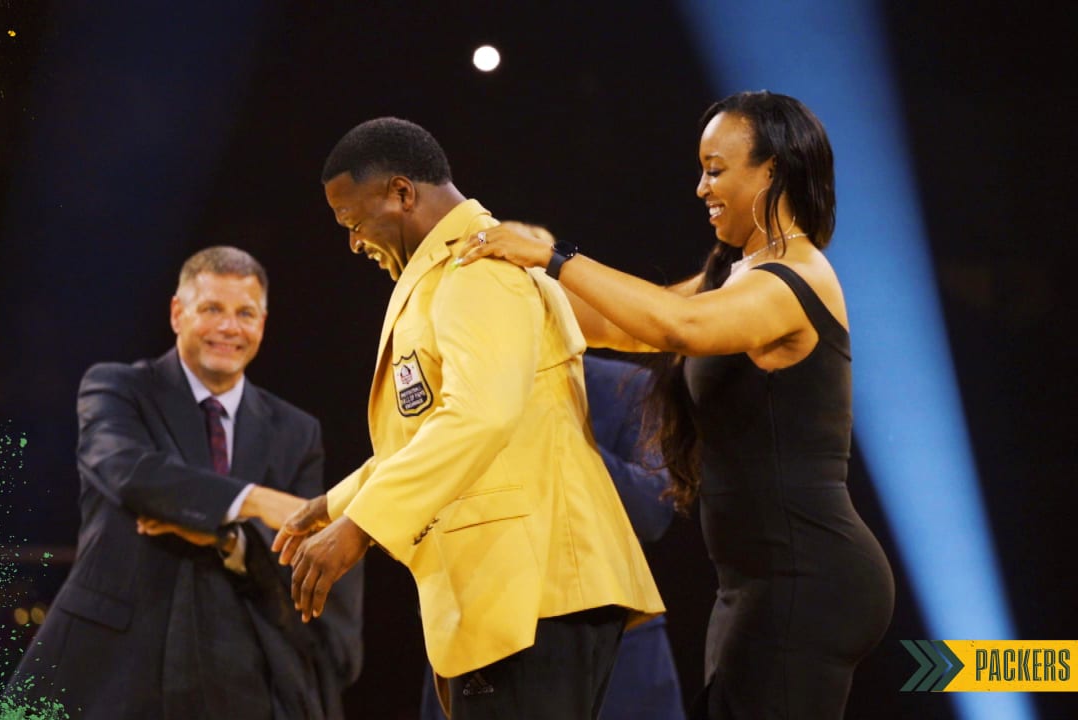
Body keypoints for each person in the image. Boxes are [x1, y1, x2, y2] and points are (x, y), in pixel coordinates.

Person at [459, 91, 894, 719]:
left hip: (808, 577)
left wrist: (556, 258)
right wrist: (512, 285)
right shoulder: (741, 273)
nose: (700, 188)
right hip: (757, 583)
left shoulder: (797, 277)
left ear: (772, 170)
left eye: (715, 170)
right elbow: (620, 326)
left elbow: (677, 325)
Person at [272, 117, 665, 720]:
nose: (353, 243)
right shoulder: (447, 273)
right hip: (520, 594)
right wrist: (337, 503)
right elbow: (436, 425)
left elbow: (479, 416)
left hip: (537, 592)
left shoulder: (478, 266)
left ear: (401, 193)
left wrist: (361, 527)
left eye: (353, 223)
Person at [5, 247, 363, 720]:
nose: (229, 327)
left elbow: (303, 551)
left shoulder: (296, 431)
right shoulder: (118, 389)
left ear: (263, 323)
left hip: (242, 677)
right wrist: (254, 501)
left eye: (245, 314)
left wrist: (227, 537)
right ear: (177, 313)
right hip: (113, 672)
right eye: (212, 309)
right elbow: (130, 472)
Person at [418, 352, 687, 720]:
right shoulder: (465, 390)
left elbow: (652, 511)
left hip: (614, 645)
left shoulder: (627, 387)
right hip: (484, 632)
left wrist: (555, 428)